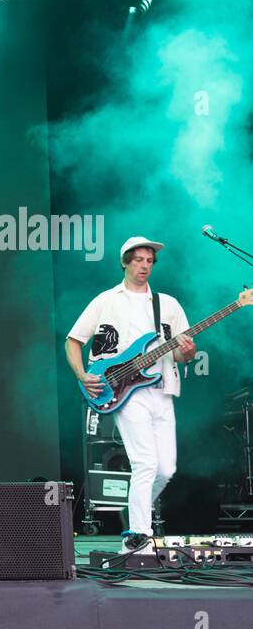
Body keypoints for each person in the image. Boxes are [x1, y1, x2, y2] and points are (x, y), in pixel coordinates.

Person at [65, 235, 195, 551]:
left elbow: (180, 355)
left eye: (149, 261)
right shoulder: (106, 300)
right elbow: (73, 341)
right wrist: (83, 375)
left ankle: (132, 509)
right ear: (125, 262)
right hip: (126, 391)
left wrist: (188, 351)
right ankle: (138, 537)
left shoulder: (168, 305)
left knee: (167, 469)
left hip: (162, 390)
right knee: (146, 463)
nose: (144, 267)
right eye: (138, 260)